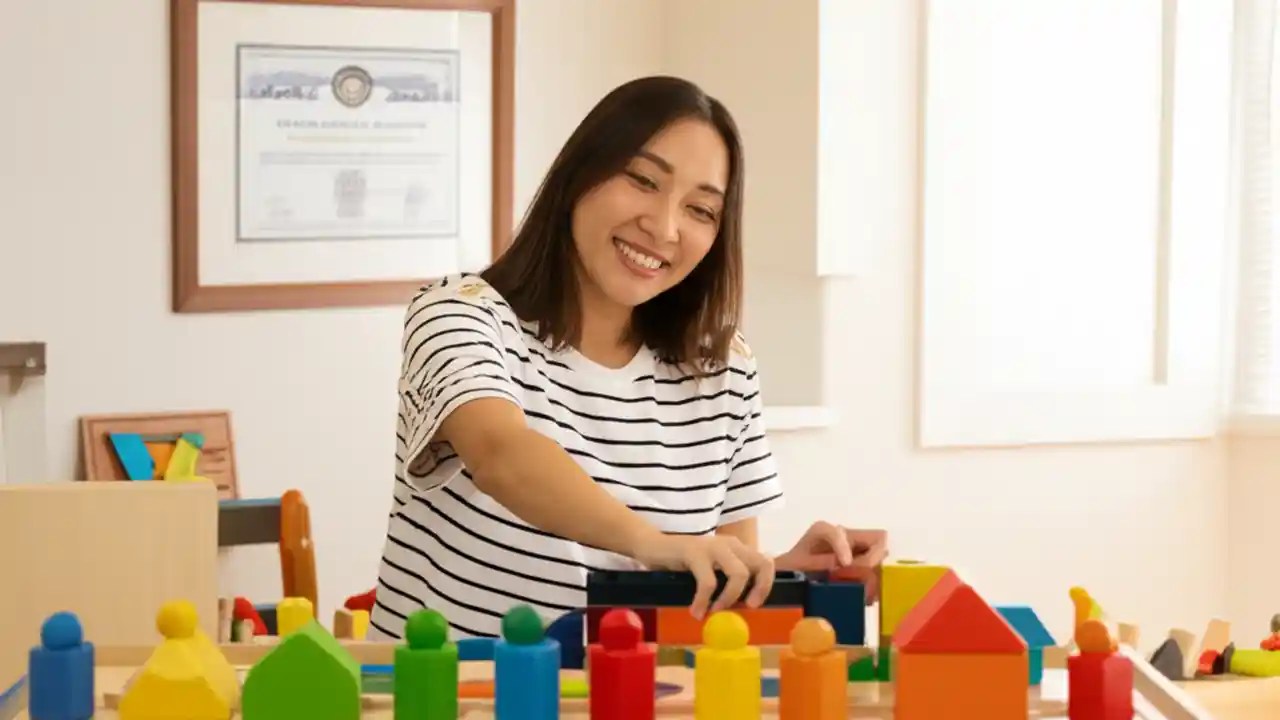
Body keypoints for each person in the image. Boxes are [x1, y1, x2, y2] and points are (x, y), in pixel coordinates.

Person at [369, 76, 887, 641]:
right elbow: (502, 455)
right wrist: (655, 543)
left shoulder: (723, 367)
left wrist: (788, 575)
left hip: (634, 686)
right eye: (643, 181)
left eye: (700, 209)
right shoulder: (459, 313)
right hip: (450, 684)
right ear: (580, 173)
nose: (664, 227)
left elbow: (716, 600)